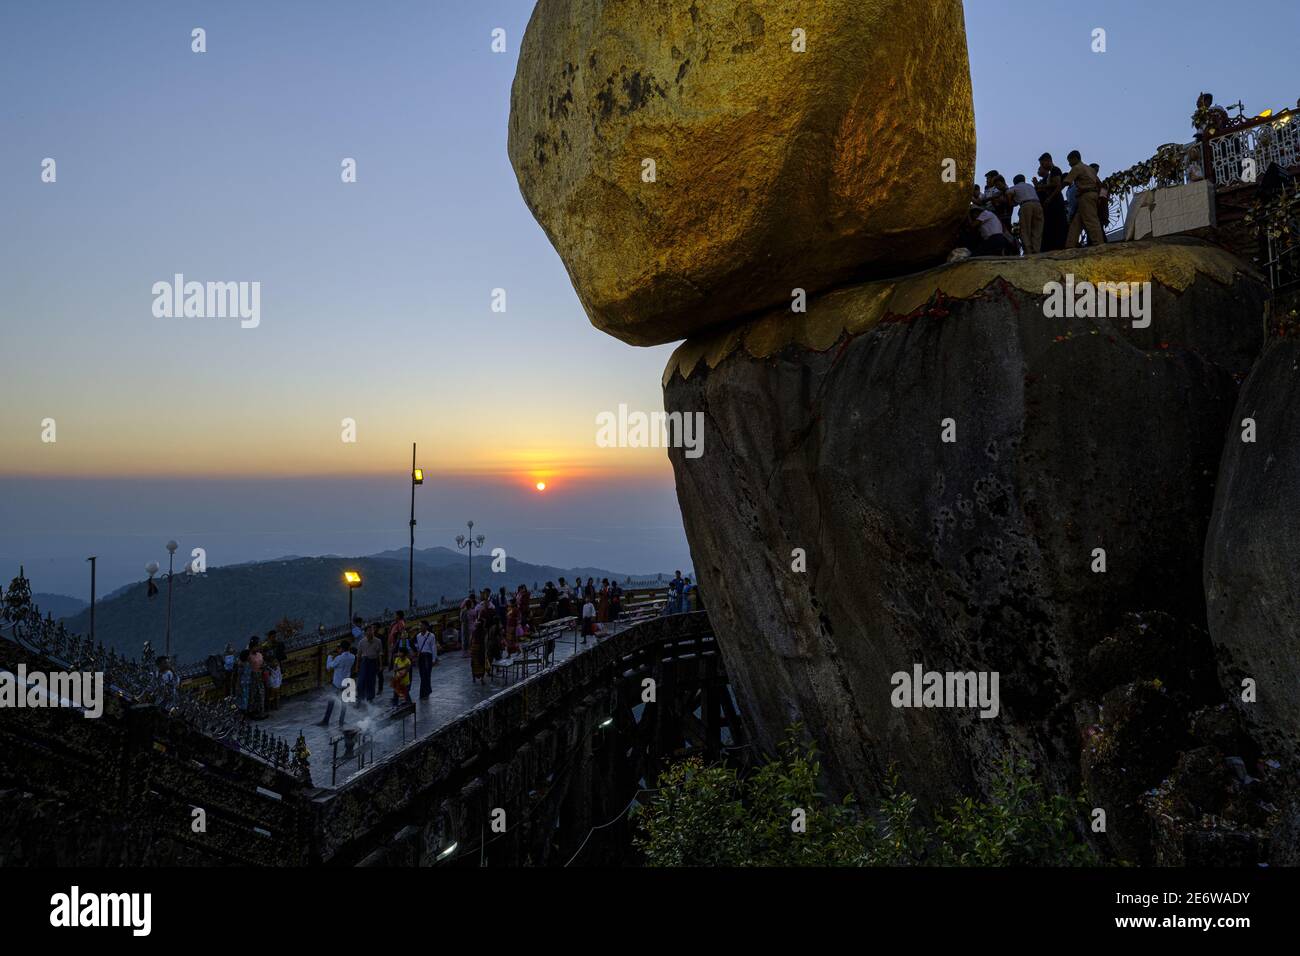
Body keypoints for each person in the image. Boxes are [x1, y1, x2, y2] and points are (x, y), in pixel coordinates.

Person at [1064, 150, 1104, 248]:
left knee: (1091, 221)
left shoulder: (1077, 167)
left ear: (1075, 158)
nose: (1069, 164)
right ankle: (1070, 245)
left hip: (1085, 196)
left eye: (1069, 161)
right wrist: (1100, 197)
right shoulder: (1090, 169)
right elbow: (1100, 184)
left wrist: (1054, 193)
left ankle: (1099, 244)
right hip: (1092, 196)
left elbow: (1066, 182)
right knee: (1076, 222)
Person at [1035, 153, 1068, 251]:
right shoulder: (1051, 173)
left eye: (1042, 164)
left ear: (1048, 160)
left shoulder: (1055, 170)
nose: (1042, 166)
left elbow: (1057, 184)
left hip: (1056, 201)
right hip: (1052, 202)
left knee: (1058, 224)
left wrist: (1041, 187)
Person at [319, 640, 355, 727]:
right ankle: (341, 722)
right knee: (344, 703)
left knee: (331, 702)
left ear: (341, 648)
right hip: (346, 683)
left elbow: (329, 667)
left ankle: (326, 721)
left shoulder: (339, 658)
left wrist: (330, 656)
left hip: (337, 683)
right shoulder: (352, 657)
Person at [1007, 174, 1042, 254]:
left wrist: (1010, 203)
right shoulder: (1030, 186)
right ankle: (1036, 250)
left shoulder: (1015, 187)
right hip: (1037, 204)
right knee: (1037, 229)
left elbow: (1008, 193)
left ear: (1014, 182)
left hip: (1026, 205)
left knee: (1025, 229)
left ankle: (1028, 250)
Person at [355, 623, 382, 703]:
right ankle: (360, 698)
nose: (371, 632)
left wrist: (380, 665)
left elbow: (380, 654)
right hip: (364, 661)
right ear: (365, 632)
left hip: (373, 661)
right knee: (361, 680)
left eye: (372, 630)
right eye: (369, 631)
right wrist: (357, 667)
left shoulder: (378, 641)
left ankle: (370, 698)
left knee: (371, 680)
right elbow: (358, 656)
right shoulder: (362, 642)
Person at [414, 620, 438, 698]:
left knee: (427, 674)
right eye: (419, 626)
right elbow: (417, 647)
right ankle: (427, 691)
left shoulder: (431, 636)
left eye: (421, 625)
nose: (420, 627)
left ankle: (424, 693)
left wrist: (434, 659)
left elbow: (433, 647)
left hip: (428, 656)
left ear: (426, 626)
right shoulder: (418, 636)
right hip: (421, 656)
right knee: (422, 675)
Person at [247, 637, 266, 719]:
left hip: (260, 676)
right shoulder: (248, 656)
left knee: (261, 693)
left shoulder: (259, 655)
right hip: (252, 677)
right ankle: (253, 712)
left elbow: (263, 663)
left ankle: (261, 711)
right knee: (253, 695)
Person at [1090, 164, 1109, 243]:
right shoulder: (1095, 180)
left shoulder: (1097, 181)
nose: (1096, 171)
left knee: (1098, 225)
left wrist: (1100, 200)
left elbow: (1103, 194)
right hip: (1098, 205)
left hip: (1099, 206)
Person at [391, 641, 413, 705]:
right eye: (399, 652)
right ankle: (395, 705)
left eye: (400, 652)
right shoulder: (397, 659)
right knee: (395, 694)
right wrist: (403, 667)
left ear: (404, 654)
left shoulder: (408, 661)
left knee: (406, 694)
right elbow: (395, 669)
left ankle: (409, 705)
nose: (399, 654)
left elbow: (405, 673)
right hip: (398, 680)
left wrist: (399, 670)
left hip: (405, 682)